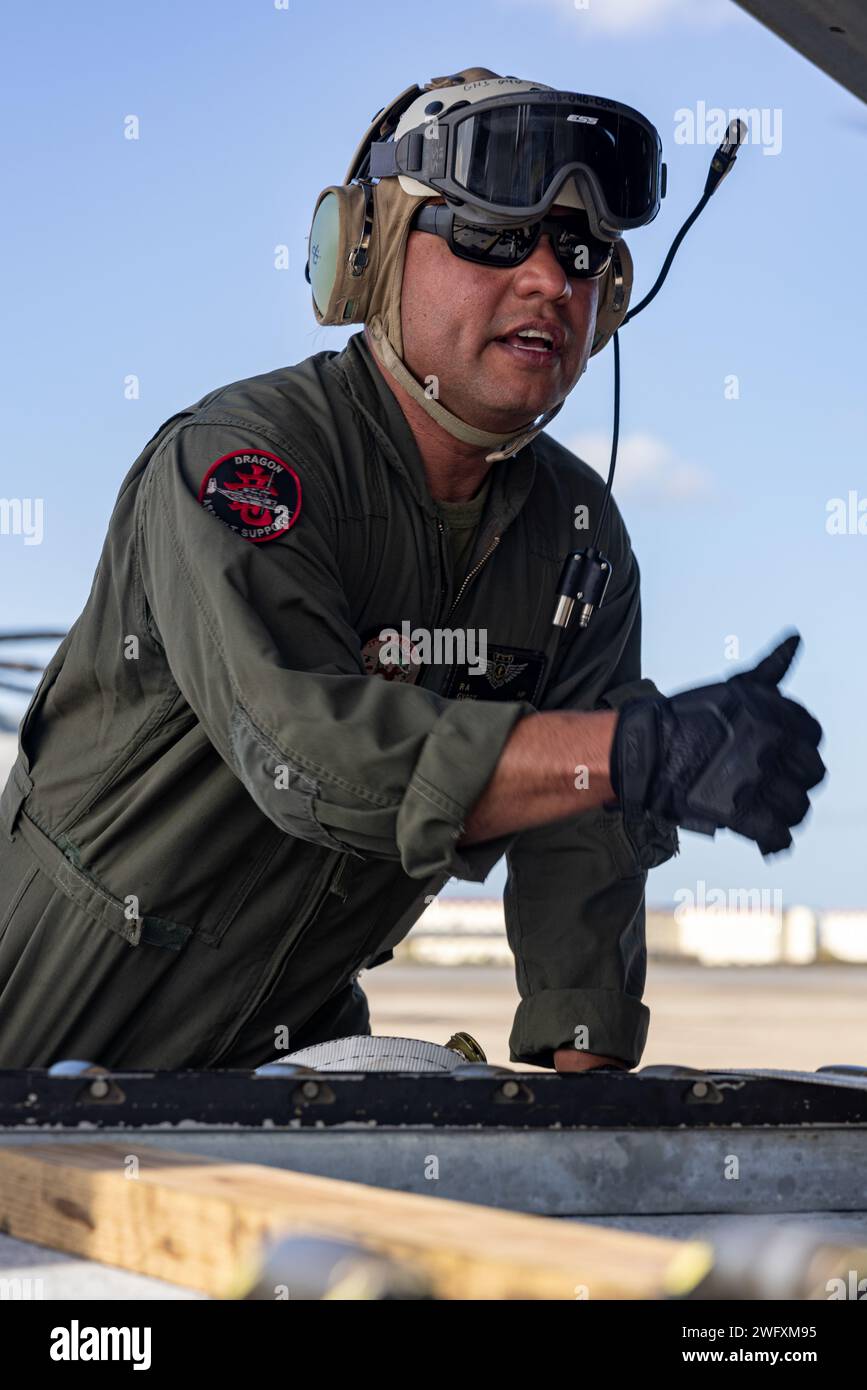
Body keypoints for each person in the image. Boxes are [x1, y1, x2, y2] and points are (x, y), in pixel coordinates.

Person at [0, 69, 824, 1073]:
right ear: (368, 255)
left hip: (280, 1067)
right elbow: (306, 751)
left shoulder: (578, 534)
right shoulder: (246, 462)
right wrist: (631, 752)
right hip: (37, 1051)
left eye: (579, 251)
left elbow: (584, 837)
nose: (548, 281)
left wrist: (589, 1095)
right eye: (489, 232)